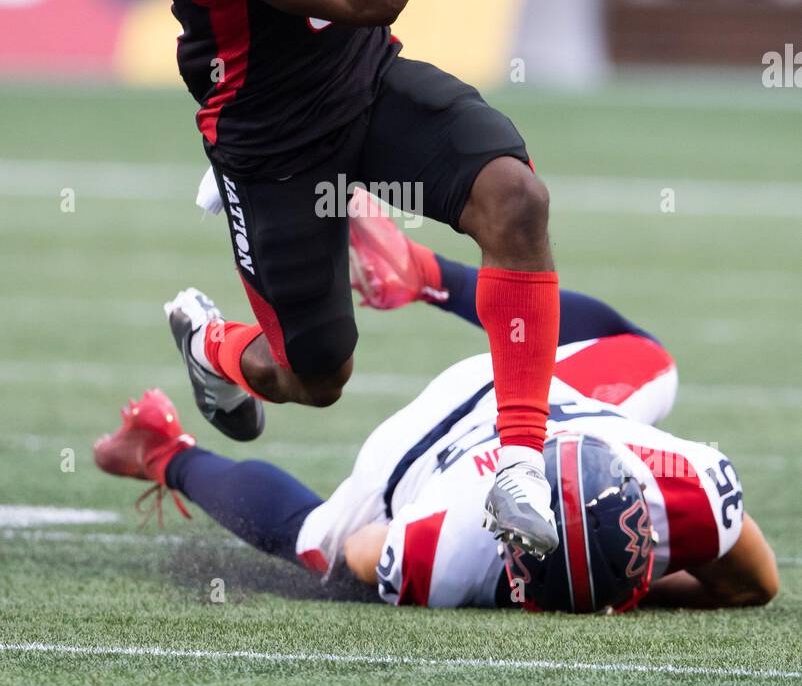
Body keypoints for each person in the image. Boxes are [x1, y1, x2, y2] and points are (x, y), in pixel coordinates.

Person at [110, 0, 560, 555]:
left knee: (515, 198)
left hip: (361, 74)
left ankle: (522, 464)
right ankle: (214, 348)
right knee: (314, 376)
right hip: (272, 138)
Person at [92, 200, 777, 614]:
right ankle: (167, 454)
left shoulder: (679, 483)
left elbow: (756, 584)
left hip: (533, 399)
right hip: (422, 451)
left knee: (644, 355)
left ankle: (425, 275)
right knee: (319, 547)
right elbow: (365, 550)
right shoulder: (454, 550)